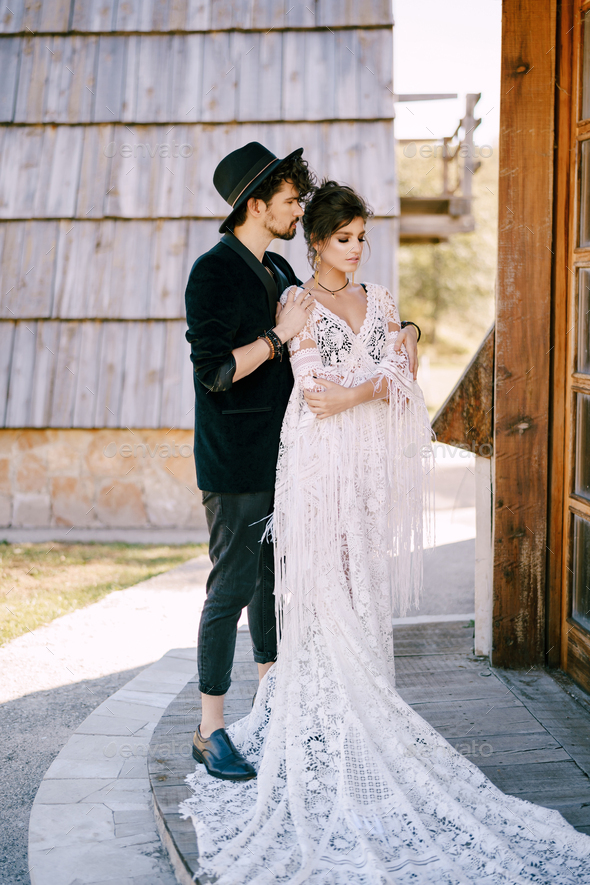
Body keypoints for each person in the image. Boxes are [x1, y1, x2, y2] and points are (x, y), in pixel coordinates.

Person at [181, 180, 590, 884]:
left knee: (357, 586)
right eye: (344, 237)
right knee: (276, 589)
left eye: (362, 237)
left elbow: (400, 361)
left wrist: (404, 339)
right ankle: (227, 724)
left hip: (367, 467)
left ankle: (343, 713)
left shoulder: (359, 293)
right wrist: (380, 377)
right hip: (306, 463)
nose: (357, 247)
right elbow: (320, 394)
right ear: (312, 239)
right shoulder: (274, 291)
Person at [185, 146, 421, 782]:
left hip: (287, 459)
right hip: (235, 459)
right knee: (232, 585)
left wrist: (412, 331)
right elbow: (215, 371)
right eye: (290, 201)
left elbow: (350, 314)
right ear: (258, 205)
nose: (298, 209)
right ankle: (210, 728)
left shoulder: (278, 267)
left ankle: (272, 705)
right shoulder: (212, 272)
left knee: (271, 587)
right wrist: (278, 339)